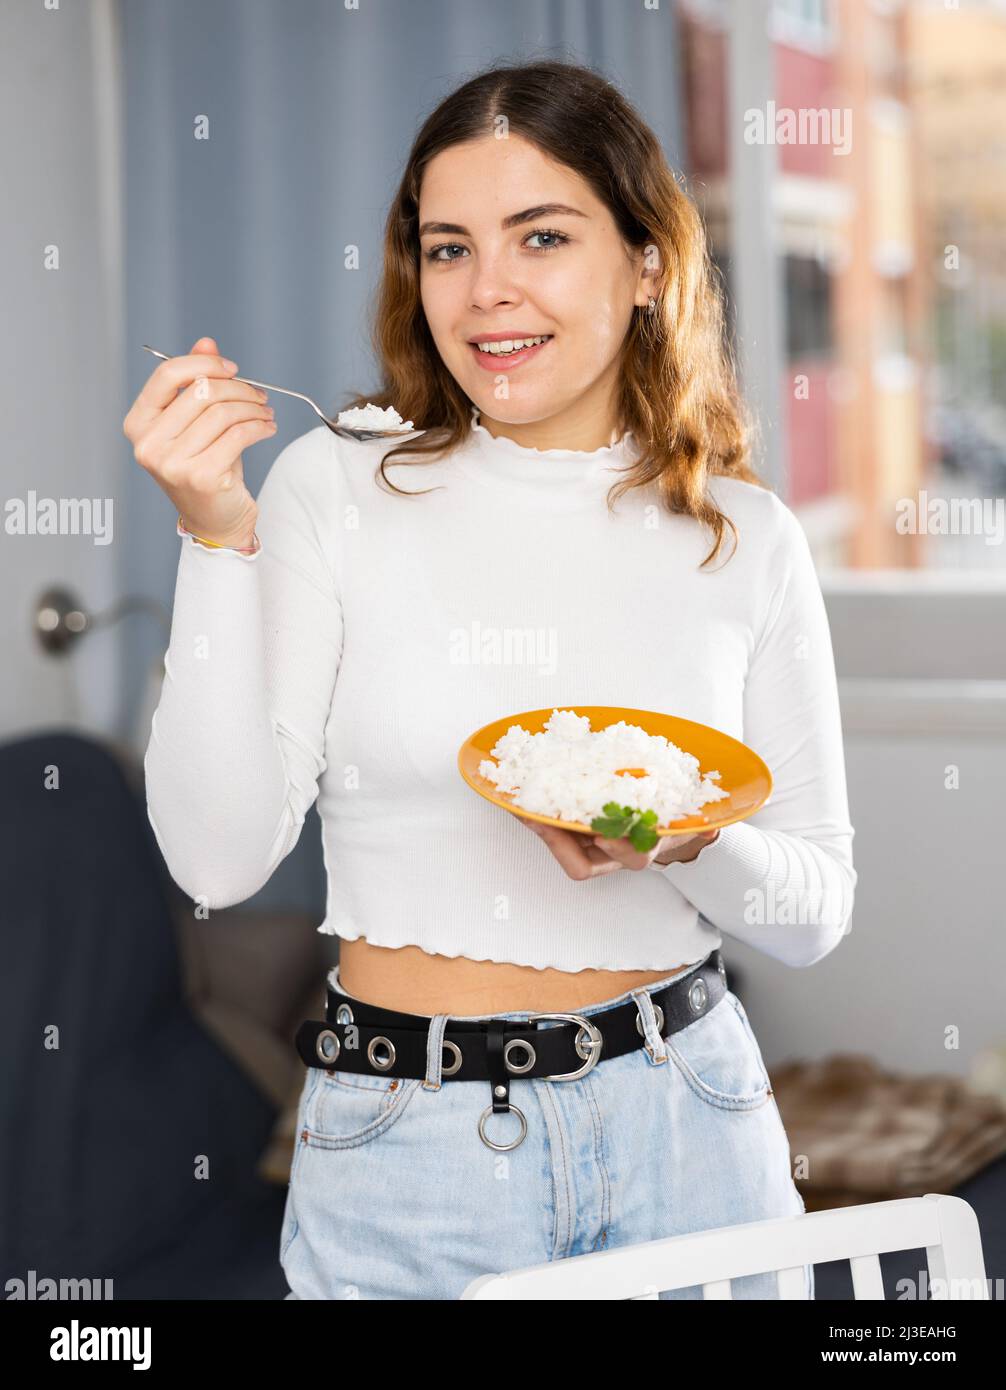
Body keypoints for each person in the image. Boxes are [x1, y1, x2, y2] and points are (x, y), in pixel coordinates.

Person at [125, 60, 855, 1301]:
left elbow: (815, 908)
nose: (488, 290)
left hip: (694, 1123)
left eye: (543, 237)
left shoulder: (742, 534)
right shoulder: (335, 484)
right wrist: (211, 535)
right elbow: (215, 860)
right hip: (408, 1147)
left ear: (647, 265)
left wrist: (675, 842)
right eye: (448, 247)